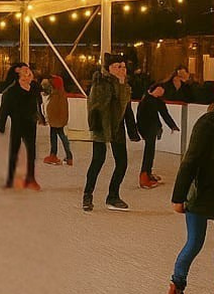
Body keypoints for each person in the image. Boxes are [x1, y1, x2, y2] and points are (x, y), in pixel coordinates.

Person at [82, 53, 141, 212]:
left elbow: (126, 109)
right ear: (108, 69)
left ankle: (113, 196)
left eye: (123, 66)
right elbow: (102, 107)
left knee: (122, 163)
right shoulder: (100, 83)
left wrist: (132, 131)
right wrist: (121, 87)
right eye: (117, 67)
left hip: (117, 127)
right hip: (101, 125)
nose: (122, 70)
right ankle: (87, 195)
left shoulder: (124, 85)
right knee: (98, 161)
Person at [167, 104, 214, 294]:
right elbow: (190, 161)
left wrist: (179, 197)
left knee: (194, 242)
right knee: (194, 242)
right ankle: (176, 286)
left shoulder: (206, 123)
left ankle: (176, 286)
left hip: (200, 195)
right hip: (202, 194)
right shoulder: (208, 124)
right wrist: (178, 196)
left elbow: (190, 161)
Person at [0, 63, 45, 191]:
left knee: (31, 151)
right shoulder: (11, 91)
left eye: (29, 71)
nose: (29, 73)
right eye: (25, 71)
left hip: (30, 123)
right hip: (17, 123)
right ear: (18, 74)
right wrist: (1, 124)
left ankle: (30, 178)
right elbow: (4, 109)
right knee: (14, 150)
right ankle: (10, 179)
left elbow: (37, 103)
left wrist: (41, 116)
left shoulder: (34, 87)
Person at [136, 83, 180, 189]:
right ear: (154, 89)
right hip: (146, 129)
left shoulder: (158, 101)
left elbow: (165, 114)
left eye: (162, 91)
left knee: (150, 152)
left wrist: (172, 126)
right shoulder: (145, 100)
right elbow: (139, 116)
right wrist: (140, 131)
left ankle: (148, 173)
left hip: (153, 129)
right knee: (148, 152)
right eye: (159, 90)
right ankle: (144, 176)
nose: (161, 92)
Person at [42, 75, 73, 166]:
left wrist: (57, 119)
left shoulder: (57, 94)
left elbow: (58, 108)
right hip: (56, 120)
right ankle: (63, 155)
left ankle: (58, 155)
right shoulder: (58, 93)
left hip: (56, 121)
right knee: (57, 136)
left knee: (57, 136)